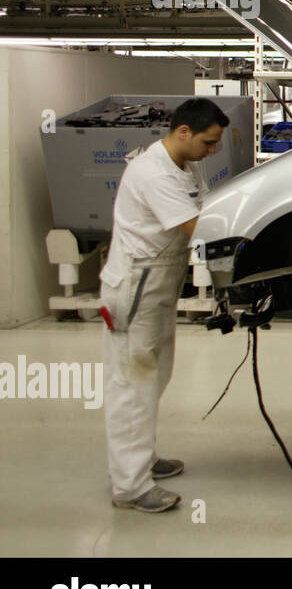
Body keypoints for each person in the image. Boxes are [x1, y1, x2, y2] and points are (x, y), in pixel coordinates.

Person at [99, 98, 228, 513]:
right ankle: (130, 486)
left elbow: (207, 208)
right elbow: (197, 227)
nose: (212, 151)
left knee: (155, 377)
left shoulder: (184, 166)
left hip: (158, 281)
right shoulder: (154, 173)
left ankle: (141, 459)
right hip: (136, 286)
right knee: (133, 385)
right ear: (183, 131)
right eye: (208, 143)